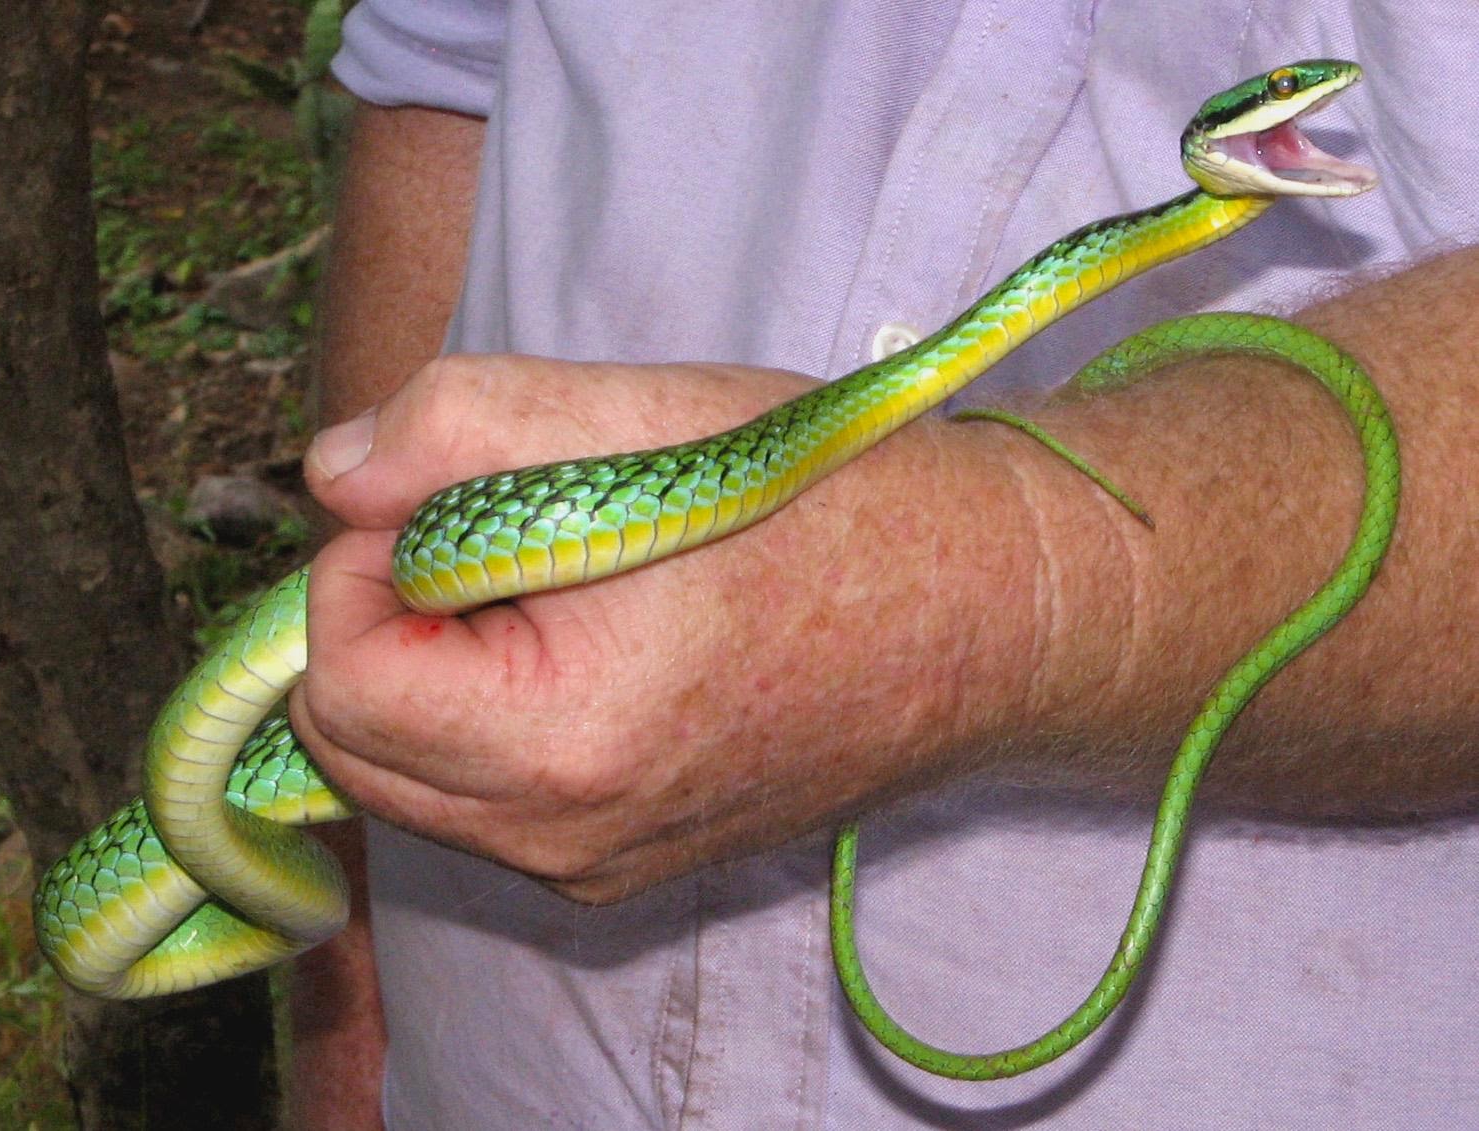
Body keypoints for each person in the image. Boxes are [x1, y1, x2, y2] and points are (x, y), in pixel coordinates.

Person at [285, 3, 1479, 1127]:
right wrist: (347, 1002)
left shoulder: (1189, 219)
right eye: (1284, 92)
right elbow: (439, 65)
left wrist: (1018, 584)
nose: (1316, 96)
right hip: (486, 1057)